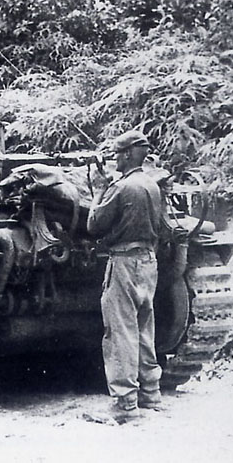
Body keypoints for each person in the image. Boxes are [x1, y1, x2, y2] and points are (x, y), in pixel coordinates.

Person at [87, 130, 164, 420]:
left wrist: (98, 190)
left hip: (124, 263)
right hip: (148, 261)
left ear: (129, 154)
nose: (114, 159)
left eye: (117, 154)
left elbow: (94, 225)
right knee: (144, 327)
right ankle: (151, 393)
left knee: (120, 332)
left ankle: (124, 404)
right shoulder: (151, 184)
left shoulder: (121, 188)